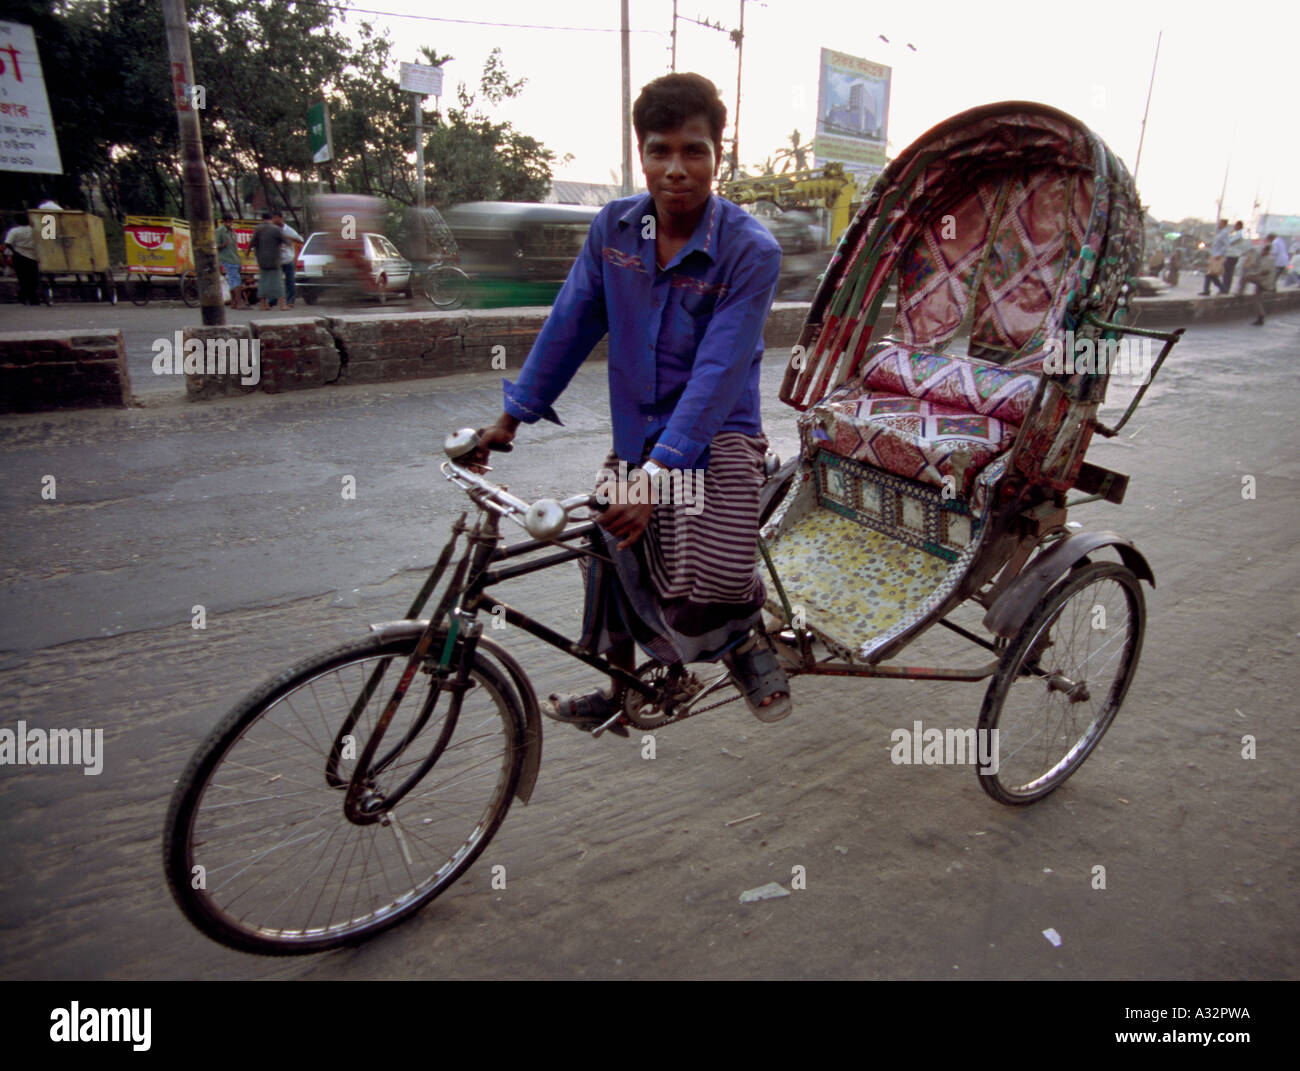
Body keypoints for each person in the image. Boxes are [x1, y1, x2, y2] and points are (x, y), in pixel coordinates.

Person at [467, 72, 789, 724]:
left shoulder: (749, 251)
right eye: (659, 151)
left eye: (693, 151)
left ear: (717, 156)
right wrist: (509, 419)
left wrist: (658, 475)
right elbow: (568, 324)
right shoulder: (615, 231)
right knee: (610, 554)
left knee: (712, 574)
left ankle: (744, 640)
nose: (676, 169)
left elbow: (719, 370)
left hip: (719, 429)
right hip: (636, 431)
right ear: (640, 153)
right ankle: (624, 691)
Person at [251, 211, 289, 310]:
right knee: (278, 282)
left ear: (262, 219)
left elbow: (252, 242)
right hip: (274, 259)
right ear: (271, 219)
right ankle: (283, 305)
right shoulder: (276, 229)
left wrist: (247, 253)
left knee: (263, 282)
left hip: (262, 260)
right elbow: (286, 241)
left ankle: (263, 304)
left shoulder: (258, 228)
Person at [3, 212, 40, 306]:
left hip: (19, 256)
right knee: (33, 278)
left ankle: (24, 295)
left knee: (23, 278)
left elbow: (8, 243)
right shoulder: (34, 230)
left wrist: (14, 252)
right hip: (32, 256)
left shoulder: (14, 231)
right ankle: (32, 297)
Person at [1235, 239, 1275, 325]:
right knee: (1256, 298)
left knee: (1246, 277)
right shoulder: (1263, 257)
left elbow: (1265, 271)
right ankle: (1261, 315)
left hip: (1264, 281)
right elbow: (1254, 265)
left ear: (1266, 251)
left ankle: (1240, 293)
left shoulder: (1269, 259)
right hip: (1263, 280)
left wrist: (1255, 274)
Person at [272, 210, 302, 309]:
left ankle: (290, 301)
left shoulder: (288, 229)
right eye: (273, 218)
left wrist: (286, 238)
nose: (275, 220)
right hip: (277, 259)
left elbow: (300, 240)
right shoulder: (273, 229)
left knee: (290, 281)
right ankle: (273, 301)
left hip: (288, 258)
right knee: (276, 281)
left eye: (277, 217)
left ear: (281, 218)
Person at [215, 214, 245, 309]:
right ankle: (238, 302)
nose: (229, 224)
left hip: (235, 259)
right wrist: (223, 245)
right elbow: (215, 246)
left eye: (230, 221)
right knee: (235, 280)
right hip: (226, 259)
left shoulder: (233, 233)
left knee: (233, 281)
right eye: (227, 221)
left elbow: (235, 248)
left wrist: (239, 260)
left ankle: (234, 303)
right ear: (223, 222)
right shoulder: (219, 231)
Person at [1201, 219, 1230, 295]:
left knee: (1210, 274)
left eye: (1220, 223)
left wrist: (1220, 254)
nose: (1218, 225)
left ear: (1224, 224)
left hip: (1218, 256)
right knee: (1212, 275)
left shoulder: (1224, 233)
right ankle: (1222, 289)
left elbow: (1226, 246)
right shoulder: (1219, 233)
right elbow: (1216, 244)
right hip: (1214, 255)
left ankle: (1207, 290)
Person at [1223, 220, 1246, 292]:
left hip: (1233, 255)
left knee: (1228, 272)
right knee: (1227, 272)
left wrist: (1229, 234)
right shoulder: (1237, 234)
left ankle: (1226, 288)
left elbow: (1229, 242)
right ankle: (1225, 287)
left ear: (1239, 226)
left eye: (1235, 226)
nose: (1234, 227)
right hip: (1231, 254)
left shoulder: (1239, 234)